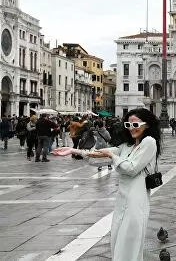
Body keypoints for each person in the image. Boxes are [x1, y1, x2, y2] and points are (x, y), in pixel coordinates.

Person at [52, 108, 161, 261]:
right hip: (122, 200)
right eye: (128, 125)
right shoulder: (127, 146)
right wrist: (73, 150)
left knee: (129, 243)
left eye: (135, 124)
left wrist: (112, 156)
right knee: (117, 240)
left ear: (147, 125)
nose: (131, 128)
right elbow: (102, 154)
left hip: (137, 200)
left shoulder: (149, 143)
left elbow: (130, 168)